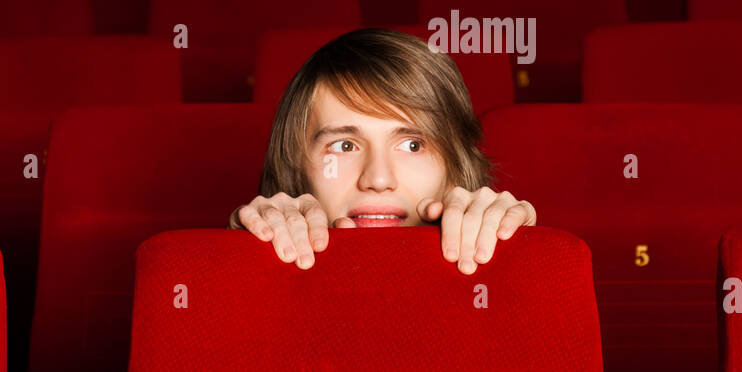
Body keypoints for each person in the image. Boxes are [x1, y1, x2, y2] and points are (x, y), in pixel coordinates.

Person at [228, 27, 536, 274]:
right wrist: (243, 258)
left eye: (412, 145)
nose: (377, 179)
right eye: (345, 146)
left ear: (454, 167)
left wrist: (521, 255)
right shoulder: (251, 260)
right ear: (296, 166)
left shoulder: (507, 261)